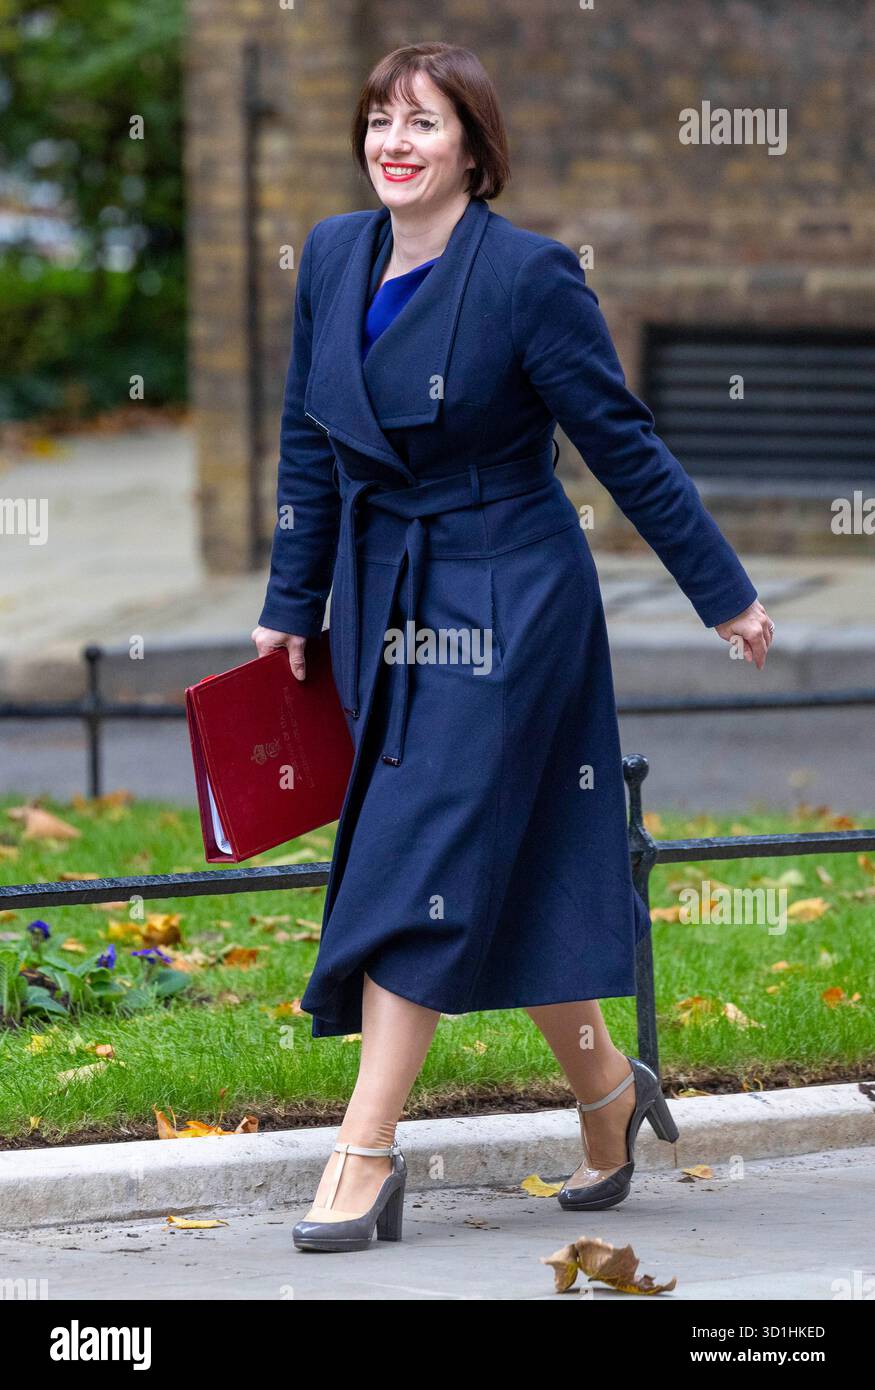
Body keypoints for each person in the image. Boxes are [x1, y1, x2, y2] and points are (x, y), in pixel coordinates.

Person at [251, 41, 775, 1253]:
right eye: (379, 118)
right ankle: (606, 1091)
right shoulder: (333, 254)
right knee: (516, 861)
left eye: (422, 123)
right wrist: (291, 599)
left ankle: (364, 1151)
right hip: (381, 593)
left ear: (474, 152)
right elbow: (305, 438)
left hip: (504, 599)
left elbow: (621, 443)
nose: (393, 140)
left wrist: (722, 592)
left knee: (414, 849)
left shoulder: (530, 278)